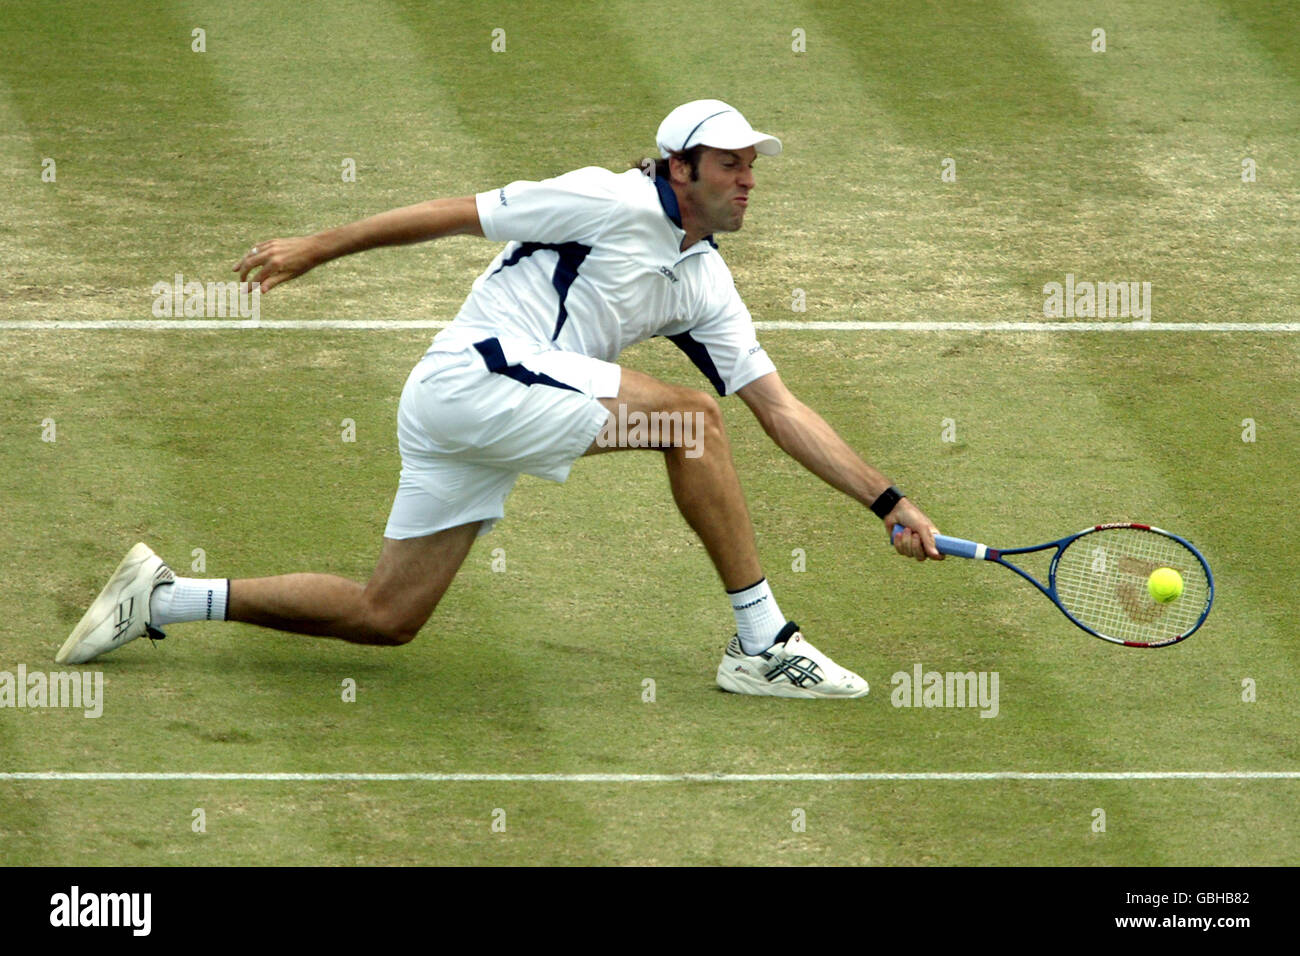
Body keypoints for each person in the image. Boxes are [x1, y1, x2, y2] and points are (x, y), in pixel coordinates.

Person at [56, 99, 942, 698]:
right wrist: (315, 249)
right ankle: (762, 643)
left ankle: (164, 596)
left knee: (387, 616)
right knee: (692, 419)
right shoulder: (605, 199)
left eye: (754, 166)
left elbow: (780, 410)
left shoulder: (704, 283)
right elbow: (454, 212)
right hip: (477, 377)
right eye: (731, 164)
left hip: (480, 412)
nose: (748, 179)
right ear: (680, 169)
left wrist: (888, 502)